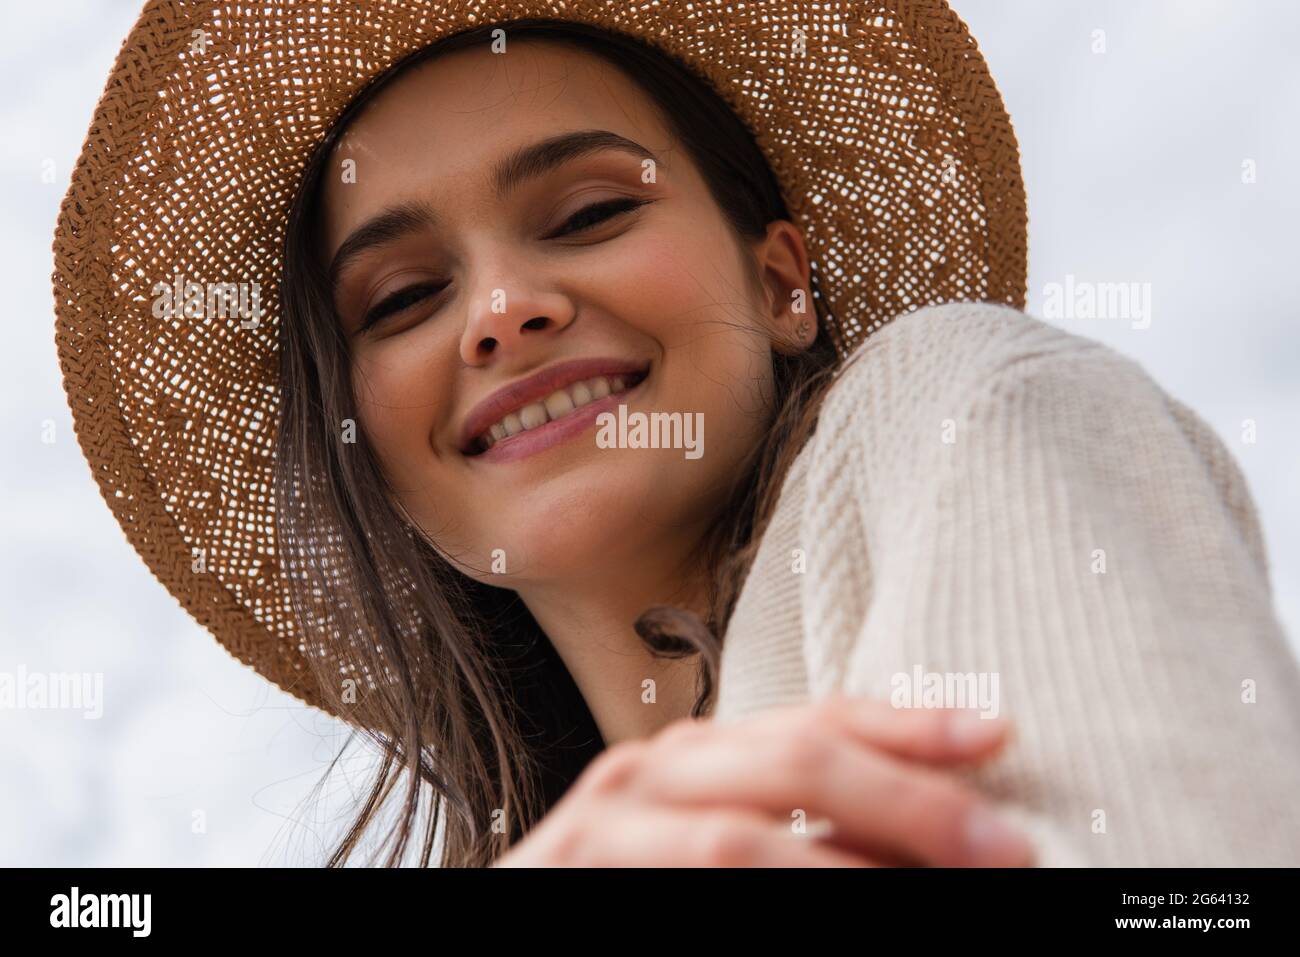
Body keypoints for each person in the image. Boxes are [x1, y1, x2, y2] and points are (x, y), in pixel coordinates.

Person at [53, 6, 1300, 868]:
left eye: (588, 212)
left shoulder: (957, 407)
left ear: (782, 285)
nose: (500, 311)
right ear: (367, 451)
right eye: (401, 301)